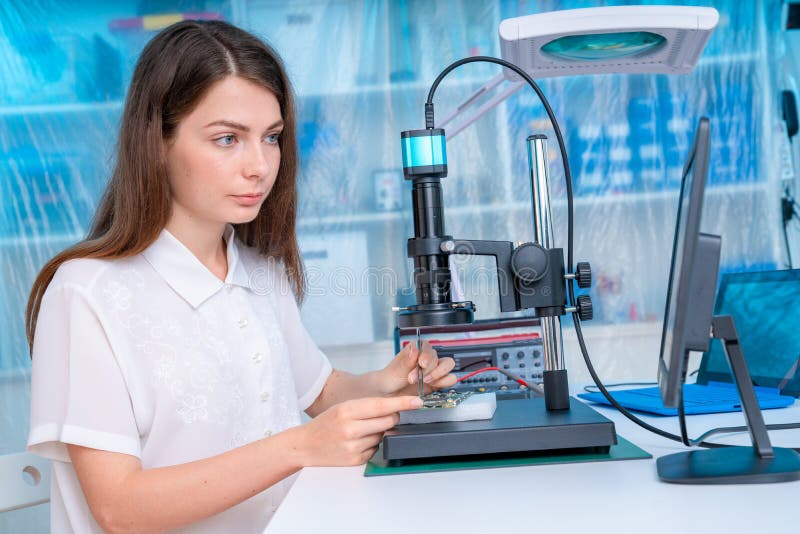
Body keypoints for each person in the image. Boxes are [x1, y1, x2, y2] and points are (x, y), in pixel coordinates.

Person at [25, 20, 456, 533]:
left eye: (270, 138)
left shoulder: (259, 271)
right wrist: (300, 446)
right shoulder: (84, 294)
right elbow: (119, 508)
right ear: (157, 141)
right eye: (227, 138)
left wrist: (387, 384)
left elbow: (320, 390)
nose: (260, 166)